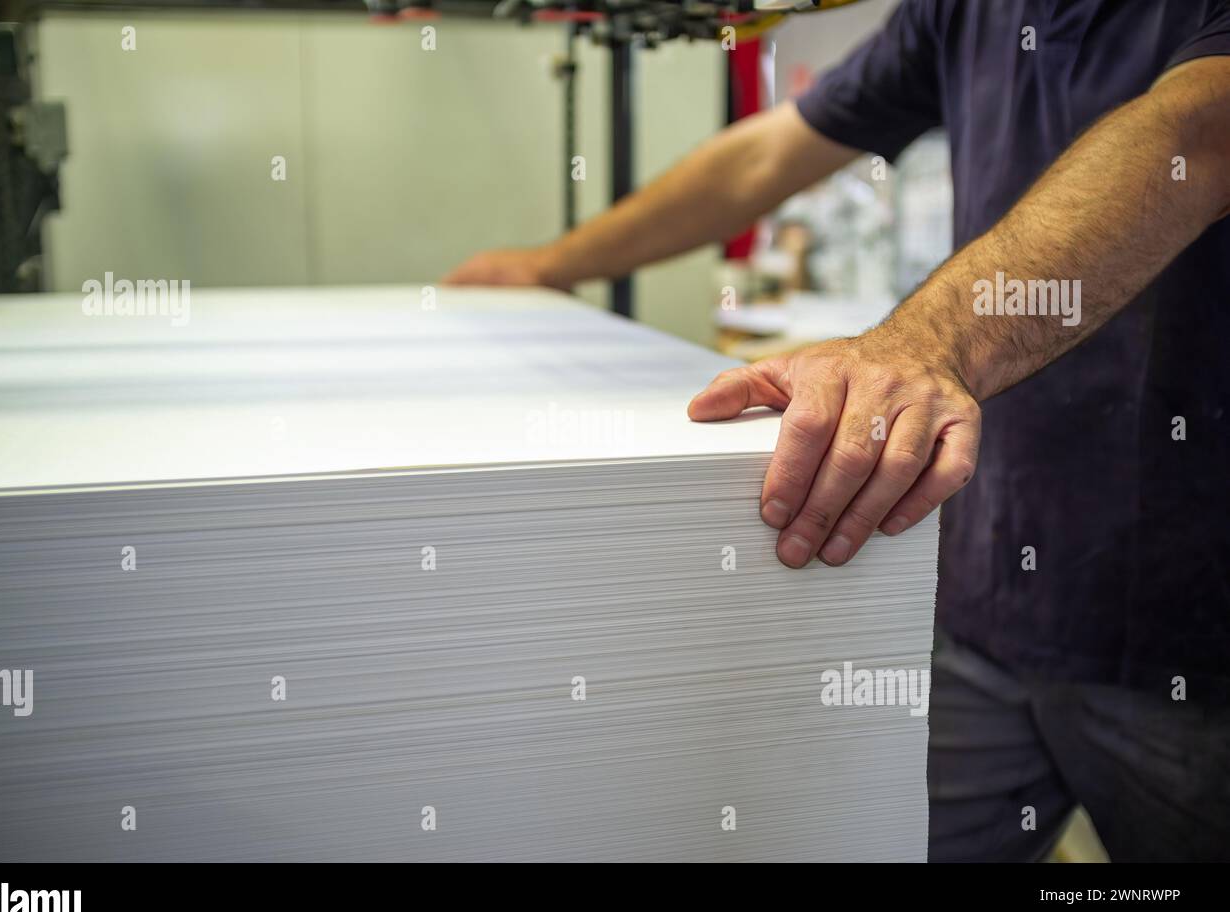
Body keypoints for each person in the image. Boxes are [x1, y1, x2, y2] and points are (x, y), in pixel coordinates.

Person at [445, 0, 1230, 862]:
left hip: (1189, 639)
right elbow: (768, 153)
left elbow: (1197, 131)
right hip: (977, 598)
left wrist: (925, 343)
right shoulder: (968, 10)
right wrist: (552, 266)